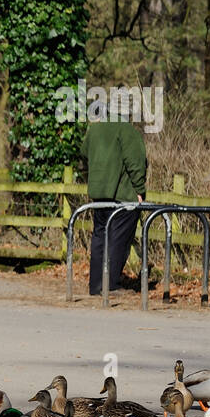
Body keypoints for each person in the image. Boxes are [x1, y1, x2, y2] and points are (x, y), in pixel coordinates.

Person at [82, 118, 147, 295]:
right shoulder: (126, 131)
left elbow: (84, 153)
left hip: (99, 194)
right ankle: (110, 285)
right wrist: (139, 189)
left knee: (100, 239)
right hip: (123, 195)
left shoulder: (94, 130)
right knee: (118, 240)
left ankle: (96, 285)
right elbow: (135, 163)